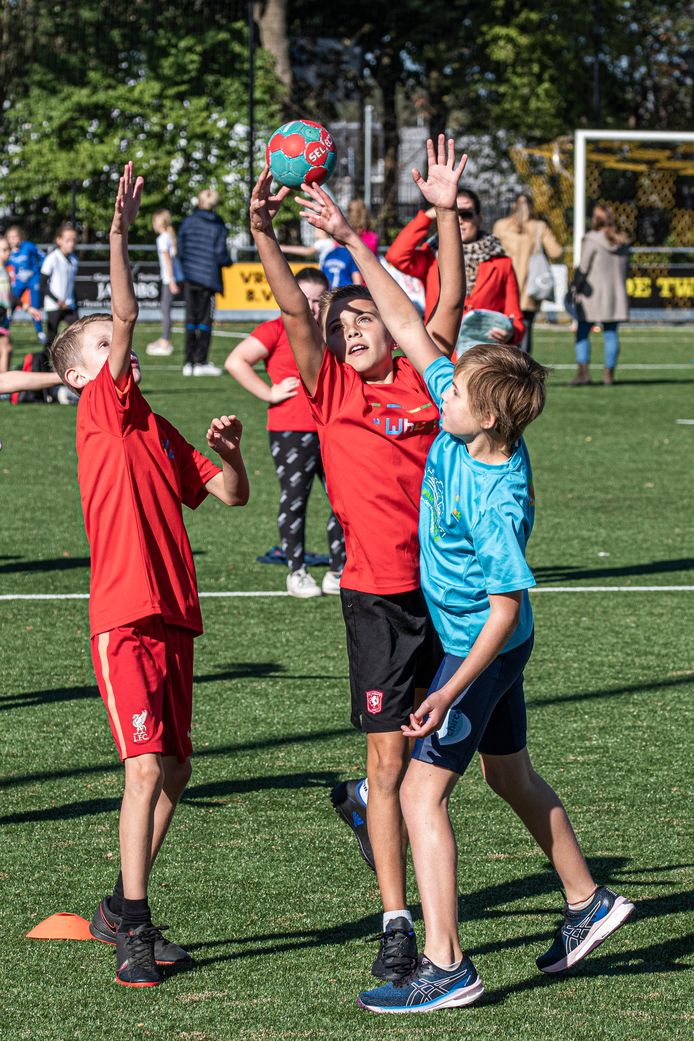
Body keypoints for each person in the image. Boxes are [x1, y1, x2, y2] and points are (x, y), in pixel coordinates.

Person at [321, 242, 635, 1009]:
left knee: (423, 796)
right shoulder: (469, 425)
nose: (440, 389)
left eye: (453, 389)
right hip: (485, 646)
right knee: (508, 772)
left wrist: (447, 688)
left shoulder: (496, 500)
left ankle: (446, 964)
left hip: (482, 650)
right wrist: (350, 240)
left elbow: (503, 612)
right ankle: (588, 901)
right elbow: (404, 321)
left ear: (483, 412)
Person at [250, 135, 467, 984]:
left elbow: (442, 299)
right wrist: (266, 233)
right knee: (386, 764)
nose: (352, 327)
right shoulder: (330, 389)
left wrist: (444, 210)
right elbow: (299, 315)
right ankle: (396, 919)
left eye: (365, 316)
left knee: (445, 766)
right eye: (344, 325)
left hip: (445, 593)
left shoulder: (426, 377)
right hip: (377, 600)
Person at [47, 161, 250, 988]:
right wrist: (121, 234)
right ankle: (134, 925)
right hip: (125, 615)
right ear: (75, 378)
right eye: (101, 346)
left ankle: (119, 905)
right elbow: (128, 310)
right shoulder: (101, 410)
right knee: (142, 768)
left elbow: (229, 495)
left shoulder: (155, 427)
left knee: (173, 770)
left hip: (176, 616)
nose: (117, 345)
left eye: (114, 343)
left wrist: (233, 456)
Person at [224, 266, 345, 598]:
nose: (313, 308)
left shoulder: (334, 330)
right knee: (295, 499)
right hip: (291, 428)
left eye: (319, 300)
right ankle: (297, 571)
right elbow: (236, 361)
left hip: (334, 426)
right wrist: (269, 393)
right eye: (305, 300)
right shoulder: (276, 328)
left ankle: (339, 569)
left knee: (343, 498)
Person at [386, 186, 525, 346]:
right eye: (454, 213)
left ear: (479, 218)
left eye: (466, 214)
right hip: (440, 350)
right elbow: (396, 256)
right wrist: (430, 214)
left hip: (484, 355)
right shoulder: (432, 256)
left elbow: (516, 319)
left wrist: (511, 333)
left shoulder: (502, 263)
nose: (459, 220)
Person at [493, 193, 563, 354]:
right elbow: (555, 251)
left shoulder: (501, 226)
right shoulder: (539, 227)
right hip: (529, 289)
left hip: (503, 286)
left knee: (501, 330)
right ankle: (523, 370)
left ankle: (502, 370)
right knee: (525, 329)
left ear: (512, 206)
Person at [570, 205, 630, 386]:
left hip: (592, 295)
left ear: (596, 219)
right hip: (616, 294)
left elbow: (584, 267)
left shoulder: (591, 239)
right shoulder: (623, 240)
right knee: (611, 333)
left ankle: (583, 373)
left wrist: (574, 285)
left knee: (582, 331)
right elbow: (627, 268)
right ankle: (608, 375)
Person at [177, 188, 232, 376]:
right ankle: (200, 361)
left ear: (199, 202)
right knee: (205, 320)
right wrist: (228, 262)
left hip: (190, 277)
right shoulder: (218, 224)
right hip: (209, 279)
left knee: (190, 319)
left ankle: (188, 363)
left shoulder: (187, 222)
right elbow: (220, 254)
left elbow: (181, 250)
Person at [146, 209, 182, 358]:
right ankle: (164, 339)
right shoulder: (169, 236)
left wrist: (171, 280)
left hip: (169, 280)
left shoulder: (162, 239)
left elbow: (167, 260)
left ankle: (166, 342)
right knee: (165, 309)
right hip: (171, 278)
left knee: (165, 309)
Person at [5, 224, 46, 345]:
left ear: (20, 237)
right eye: (10, 237)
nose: (12, 239)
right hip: (19, 282)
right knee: (10, 304)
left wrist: (41, 272)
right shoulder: (8, 252)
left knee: (35, 306)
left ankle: (40, 332)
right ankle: (5, 328)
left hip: (33, 280)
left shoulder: (28, 246)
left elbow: (42, 256)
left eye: (15, 237)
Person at [41, 222, 79, 348]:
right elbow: (42, 285)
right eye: (68, 240)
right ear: (59, 240)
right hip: (54, 305)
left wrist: (74, 303)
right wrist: (57, 301)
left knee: (78, 333)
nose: (71, 243)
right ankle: (46, 365)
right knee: (51, 339)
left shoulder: (73, 259)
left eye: (74, 240)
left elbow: (72, 286)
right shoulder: (52, 258)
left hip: (69, 305)